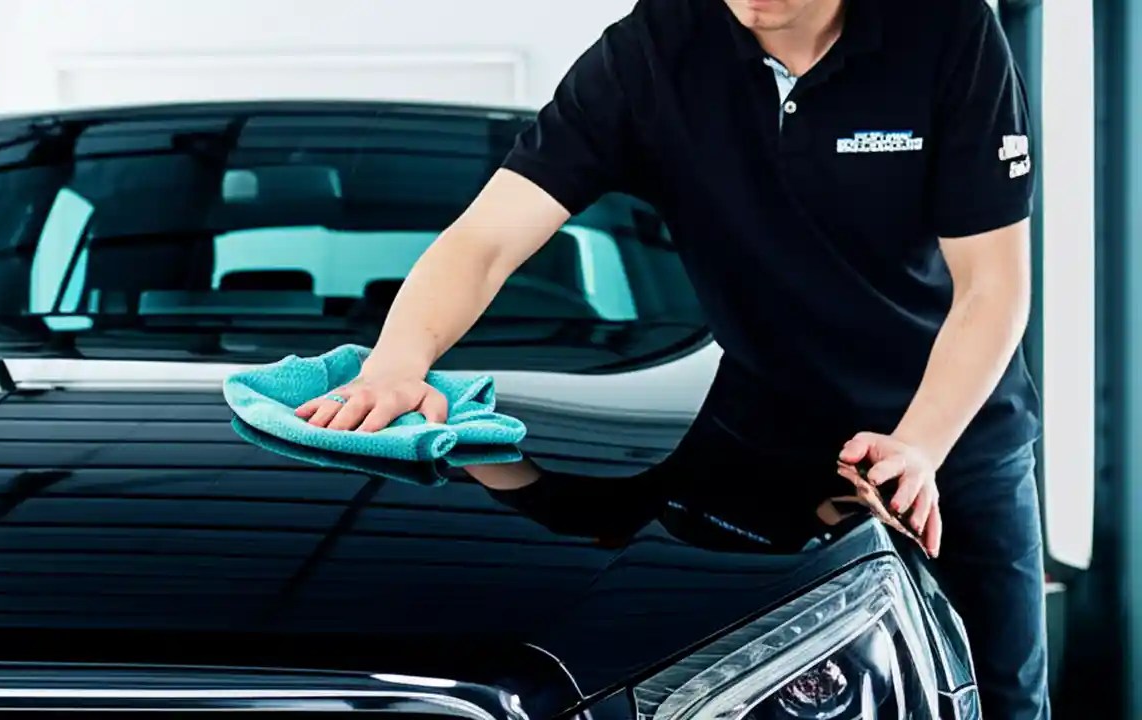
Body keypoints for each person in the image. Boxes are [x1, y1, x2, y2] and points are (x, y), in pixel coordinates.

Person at [294, 0, 1046, 716]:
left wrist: (919, 446)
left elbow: (993, 287)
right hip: (756, 438)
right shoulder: (650, 51)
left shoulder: (946, 31)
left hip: (953, 436)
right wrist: (397, 361)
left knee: (1002, 699)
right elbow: (485, 240)